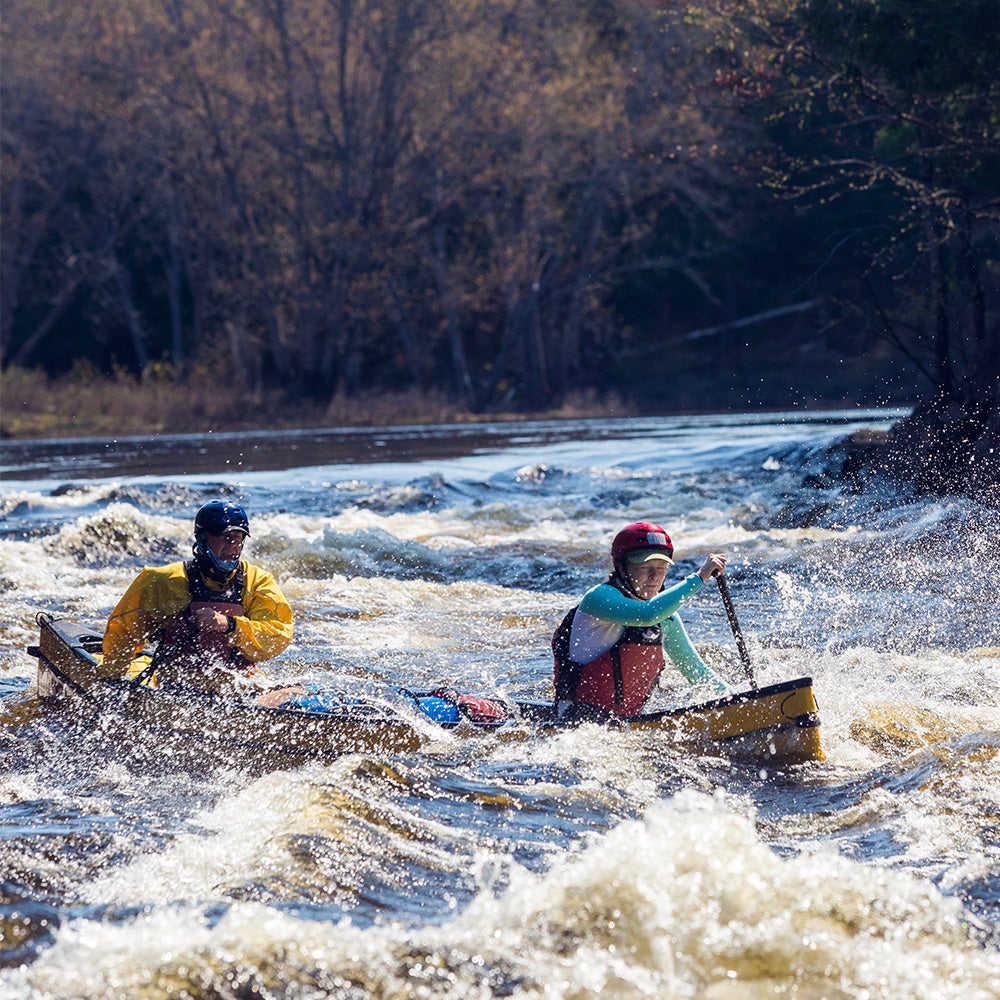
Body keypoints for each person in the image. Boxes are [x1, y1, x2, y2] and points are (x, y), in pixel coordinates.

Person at [102, 500, 295, 699]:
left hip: (241, 686)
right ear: (202, 538)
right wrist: (112, 680)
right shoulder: (161, 581)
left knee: (297, 692)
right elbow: (123, 632)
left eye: (238, 538)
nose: (233, 546)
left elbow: (279, 635)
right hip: (179, 688)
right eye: (225, 537)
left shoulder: (257, 581)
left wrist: (230, 625)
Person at [552, 521, 730, 721]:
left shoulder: (666, 618)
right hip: (576, 721)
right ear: (621, 566)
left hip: (627, 723)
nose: (654, 576)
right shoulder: (599, 597)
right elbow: (646, 615)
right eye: (645, 566)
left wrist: (738, 700)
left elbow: (697, 673)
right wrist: (699, 577)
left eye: (662, 567)